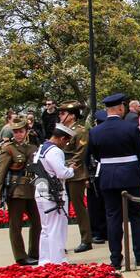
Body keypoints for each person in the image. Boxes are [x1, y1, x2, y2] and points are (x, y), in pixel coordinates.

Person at [85, 93, 140, 269]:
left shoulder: (95, 131)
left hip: (108, 177)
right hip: (131, 176)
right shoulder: (130, 128)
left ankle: (115, 258)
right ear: (121, 108)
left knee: (113, 217)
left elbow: (91, 156)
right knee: (136, 216)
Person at [0, 118, 42, 265]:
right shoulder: (8, 149)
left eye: (21, 131)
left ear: (26, 131)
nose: (18, 134)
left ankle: (35, 252)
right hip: (16, 191)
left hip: (31, 189)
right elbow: (0, 173)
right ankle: (21, 257)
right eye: (15, 132)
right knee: (16, 225)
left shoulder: (32, 148)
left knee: (37, 223)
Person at [31, 124, 75, 265]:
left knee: (46, 229)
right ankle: (57, 261)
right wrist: (71, 169)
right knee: (57, 228)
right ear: (61, 138)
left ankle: (45, 261)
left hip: (42, 191)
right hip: (54, 193)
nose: (65, 144)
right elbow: (61, 173)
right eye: (66, 141)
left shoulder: (41, 148)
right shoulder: (55, 151)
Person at [56, 101, 93, 253]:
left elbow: (81, 152)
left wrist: (68, 166)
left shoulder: (80, 130)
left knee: (78, 207)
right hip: (61, 171)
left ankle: (86, 239)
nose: (61, 115)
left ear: (72, 116)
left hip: (75, 173)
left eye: (63, 113)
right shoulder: (60, 130)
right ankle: (59, 242)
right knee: (61, 208)